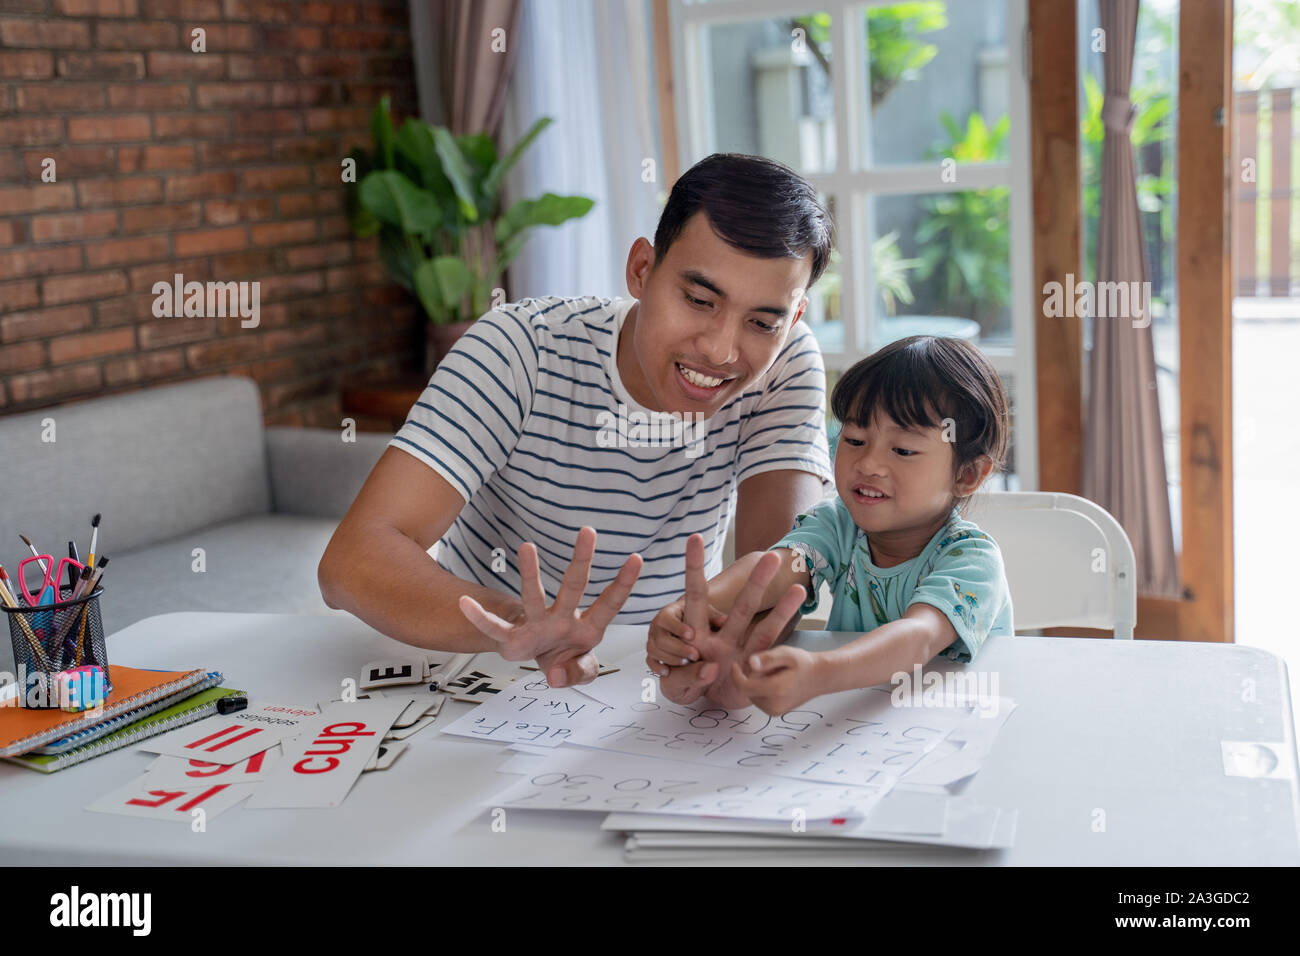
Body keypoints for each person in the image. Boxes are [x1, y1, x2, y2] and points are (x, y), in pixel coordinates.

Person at [318, 153, 835, 689]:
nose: (722, 351)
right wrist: (524, 625)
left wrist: (717, 641)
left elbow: (779, 564)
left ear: (792, 319)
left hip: (659, 683)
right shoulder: (520, 349)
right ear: (641, 270)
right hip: (487, 667)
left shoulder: (786, 363)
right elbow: (351, 561)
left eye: (761, 322)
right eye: (700, 300)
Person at [646, 334, 1014, 714]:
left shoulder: (972, 559)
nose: (867, 464)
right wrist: (693, 613)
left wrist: (819, 674)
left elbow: (917, 640)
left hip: (956, 723)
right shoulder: (839, 523)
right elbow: (775, 568)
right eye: (854, 439)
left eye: (903, 450)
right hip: (864, 721)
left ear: (968, 474)